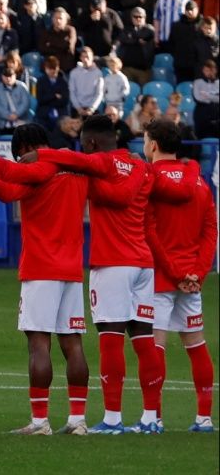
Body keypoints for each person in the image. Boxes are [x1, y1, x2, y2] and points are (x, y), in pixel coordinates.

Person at [34, 114, 199, 433]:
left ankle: (112, 419)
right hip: (142, 264)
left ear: (93, 144)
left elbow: (67, 159)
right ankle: (152, 418)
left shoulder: (101, 164)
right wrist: (190, 168)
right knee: (144, 340)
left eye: (84, 145)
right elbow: (177, 193)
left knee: (111, 341)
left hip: (112, 263)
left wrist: (38, 154)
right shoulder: (141, 167)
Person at [0, 124, 132, 434]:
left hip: (40, 268)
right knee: (73, 344)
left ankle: (39, 421)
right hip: (72, 270)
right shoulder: (78, 171)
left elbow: (7, 190)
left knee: (39, 345)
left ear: (26, 148)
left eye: (20, 153)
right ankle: (77, 420)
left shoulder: (38, 170)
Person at [142, 120, 216, 432]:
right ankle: (204, 418)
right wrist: (196, 273)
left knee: (154, 347)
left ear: (154, 145)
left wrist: (174, 272)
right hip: (192, 279)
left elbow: (150, 231)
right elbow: (210, 232)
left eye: (145, 141)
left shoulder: (149, 180)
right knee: (196, 346)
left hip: (162, 276)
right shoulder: (198, 183)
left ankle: (153, 419)